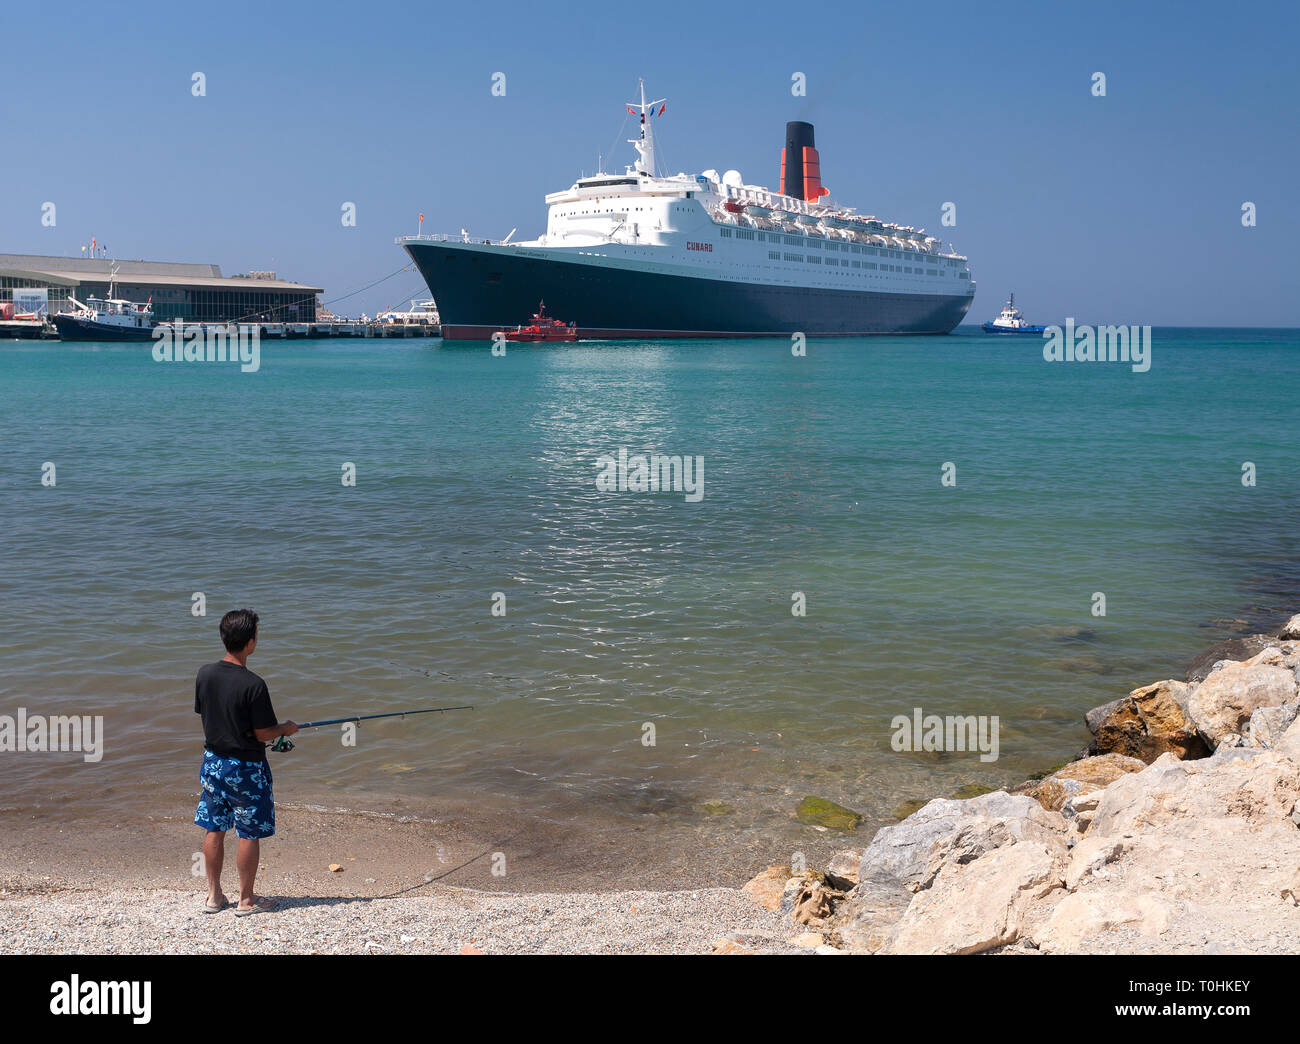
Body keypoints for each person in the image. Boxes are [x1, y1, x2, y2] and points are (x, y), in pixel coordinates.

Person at [193, 609, 298, 915]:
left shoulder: (204, 674)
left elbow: (208, 713)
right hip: (246, 768)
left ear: (224, 638)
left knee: (214, 828)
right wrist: (286, 729)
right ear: (251, 642)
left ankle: (214, 897)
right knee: (249, 832)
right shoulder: (254, 684)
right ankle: (246, 900)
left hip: (213, 763)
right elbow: (263, 732)